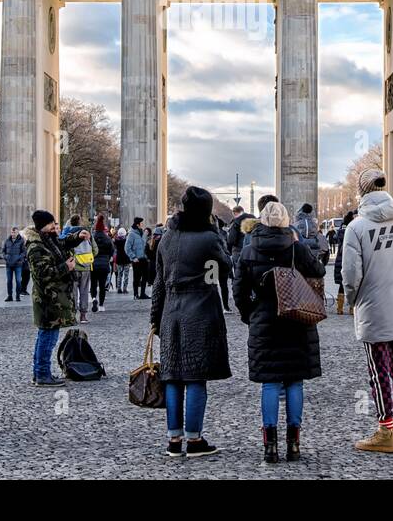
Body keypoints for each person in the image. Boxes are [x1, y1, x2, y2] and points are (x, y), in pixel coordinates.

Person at [233, 200, 324, 464]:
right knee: (295, 381)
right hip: (297, 319)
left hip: (264, 322)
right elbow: (318, 271)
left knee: (270, 383)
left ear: (262, 220)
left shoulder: (249, 250)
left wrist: (249, 314)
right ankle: (294, 445)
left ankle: (269, 446)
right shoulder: (296, 247)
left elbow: (238, 290)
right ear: (286, 221)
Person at [342, 168, 393, 454]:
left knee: (379, 372)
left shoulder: (357, 227)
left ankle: (385, 429)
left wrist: (353, 300)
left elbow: (351, 274)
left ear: (362, 191)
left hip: (373, 306)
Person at [151, 186, 232, 458]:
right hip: (202, 310)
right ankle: (194, 439)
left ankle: (173, 439)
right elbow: (227, 267)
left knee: (173, 376)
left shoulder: (167, 238)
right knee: (196, 376)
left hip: (171, 313)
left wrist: (155, 319)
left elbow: (158, 283)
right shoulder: (209, 239)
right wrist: (218, 234)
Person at [25, 210, 77, 386]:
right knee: (48, 339)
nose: (55, 226)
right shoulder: (36, 247)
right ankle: (42, 374)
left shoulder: (48, 240)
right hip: (47, 299)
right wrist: (66, 267)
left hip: (54, 298)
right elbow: (42, 274)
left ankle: (39, 372)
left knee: (45, 336)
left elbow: (62, 242)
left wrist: (77, 236)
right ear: (43, 226)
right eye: (52, 223)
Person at [60, 215, 95, 323]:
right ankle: (83, 315)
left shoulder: (67, 234)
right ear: (80, 222)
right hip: (86, 267)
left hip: (73, 266)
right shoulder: (87, 233)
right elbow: (95, 249)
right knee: (84, 292)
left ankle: (73, 315)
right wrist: (88, 258)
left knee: (73, 292)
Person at [90, 214, 114, 312]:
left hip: (93, 264)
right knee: (102, 285)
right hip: (104, 264)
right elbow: (112, 250)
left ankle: (94, 298)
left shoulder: (92, 238)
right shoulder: (107, 239)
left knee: (93, 284)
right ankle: (101, 305)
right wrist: (108, 258)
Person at [333, 210, 355, 316]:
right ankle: (352, 308)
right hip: (350, 259)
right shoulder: (353, 230)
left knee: (341, 285)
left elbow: (335, 239)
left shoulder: (340, 231)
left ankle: (339, 308)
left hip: (340, 259)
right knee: (354, 284)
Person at [2, 226, 28, 302]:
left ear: (17, 233)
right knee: (9, 281)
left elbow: (24, 252)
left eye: (15, 232)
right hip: (9, 264)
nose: (13, 234)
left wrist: (19, 258)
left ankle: (17, 296)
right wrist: (6, 257)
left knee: (18, 281)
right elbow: (3, 251)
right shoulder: (7, 241)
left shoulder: (21, 241)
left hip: (18, 265)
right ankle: (9, 296)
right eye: (12, 232)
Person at [125, 217, 149, 299]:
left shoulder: (142, 233)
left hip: (144, 259)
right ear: (138, 224)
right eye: (142, 223)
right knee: (137, 278)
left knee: (145, 277)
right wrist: (133, 257)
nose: (143, 224)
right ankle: (135, 294)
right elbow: (127, 248)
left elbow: (144, 245)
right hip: (136, 260)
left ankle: (142, 294)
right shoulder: (131, 234)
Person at [113, 227, 131, 295]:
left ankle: (119, 288)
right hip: (126, 260)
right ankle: (125, 288)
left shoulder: (116, 241)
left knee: (119, 275)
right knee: (126, 275)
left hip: (119, 260)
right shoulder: (127, 241)